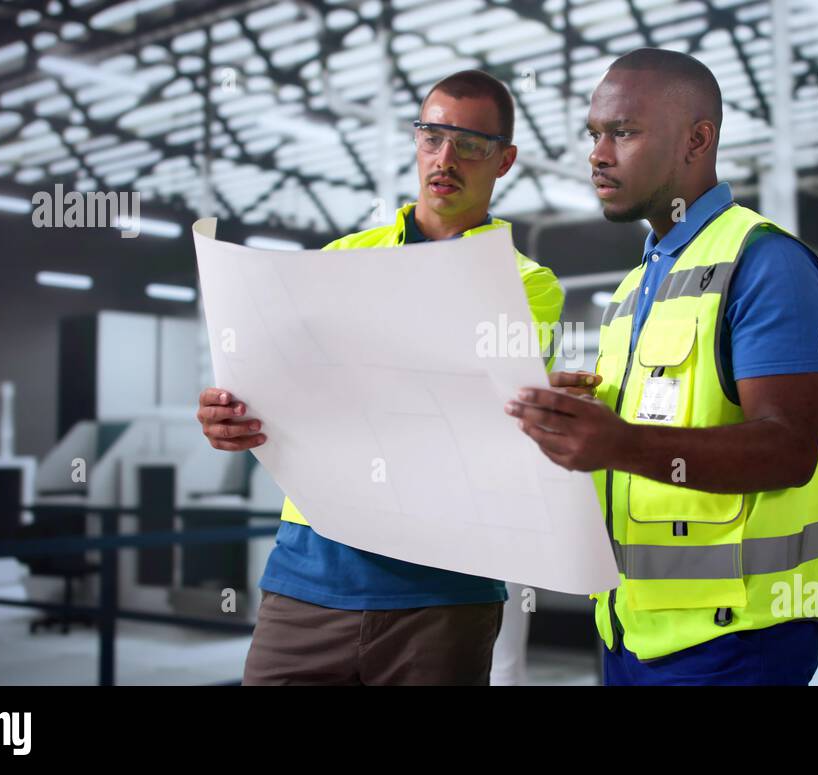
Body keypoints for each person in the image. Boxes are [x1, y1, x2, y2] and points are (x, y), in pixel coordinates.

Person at [198, 70, 564, 685]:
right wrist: (231, 415)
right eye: (432, 136)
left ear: (505, 161)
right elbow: (289, 390)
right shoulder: (341, 258)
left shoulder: (526, 284)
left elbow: (457, 412)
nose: (445, 159)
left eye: (470, 144)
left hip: (443, 588)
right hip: (308, 577)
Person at [505, 48, 818, 686]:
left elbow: (788, 448)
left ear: (699, 139)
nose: (598, 154)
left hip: (735, 637)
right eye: (595, 133)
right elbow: (648, 434)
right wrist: (579, 417)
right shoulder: (632, 288)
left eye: (624, 132)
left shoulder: (766, 261)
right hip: (630, 629)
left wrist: (618, 441)